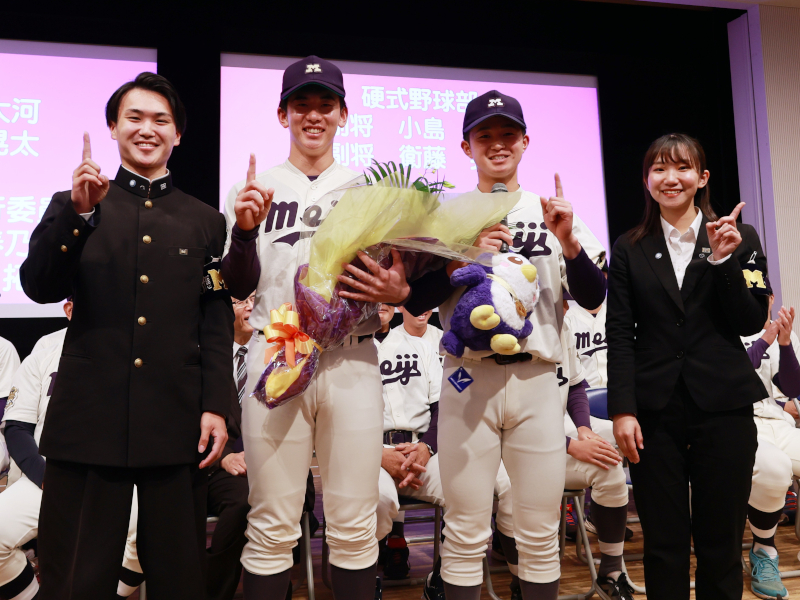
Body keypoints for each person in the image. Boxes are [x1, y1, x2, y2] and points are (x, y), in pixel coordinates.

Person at [19, 72, 234, 599]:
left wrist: (216, 405)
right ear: (113, 127)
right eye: (134, 118)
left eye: (161, 120)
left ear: (177, 134)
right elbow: (39, 287)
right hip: (88, 420)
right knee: (74, 580)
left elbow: (215, 321)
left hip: (176, 421)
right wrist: (79, 214)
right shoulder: (73, 203)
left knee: (179, 580)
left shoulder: (206, 221)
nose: (147, 129)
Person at [402, 90, 607, 600]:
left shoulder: (550, 209)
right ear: (466, 146)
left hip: (537, 379)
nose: (497, 144)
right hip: (468, 378)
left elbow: (593, 296)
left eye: (508, 134)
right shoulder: (447, 215)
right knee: (465, 531)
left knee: (538, 533)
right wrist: (461, 255)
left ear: (525, 141)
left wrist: (569, 242)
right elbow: (415, 300)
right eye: (485, 135)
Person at [221, 56, 409, 600]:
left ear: (343, 114)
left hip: (351, 355)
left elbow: (398, 279)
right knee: (271, 523)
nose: (313, 114)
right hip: (278, 346)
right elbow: (237, 282)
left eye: (325, 104)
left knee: (354, 523)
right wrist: (243, 231)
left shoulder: (370, 191)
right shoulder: (253, 188)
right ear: (282, 114)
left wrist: (398, 291)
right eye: (301, 104)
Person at [607, 133, 770, 600]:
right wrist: (623, 410)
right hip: (655, 413)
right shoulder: (630, 246)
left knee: (722, 543)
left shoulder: (741, 237)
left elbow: (751, 320)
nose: (670, 178)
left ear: (702, 178)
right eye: (659, 168)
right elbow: (619, 333)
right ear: (646, 180)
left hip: (724, 406)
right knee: (663, 544)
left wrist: (723, 261)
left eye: (682, 168)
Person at [0, 299, 143, 600]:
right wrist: (45, 477)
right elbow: (17, 426)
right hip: (49, 476)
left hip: (119, 478)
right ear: (69, 310)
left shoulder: (140, 349)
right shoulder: (45, 350)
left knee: (150, 531)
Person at [558, 310, 634, 600]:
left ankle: (611, 571)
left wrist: (583, 429)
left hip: (560, 432)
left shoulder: (562, 327)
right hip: (515, 446)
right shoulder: (511, 332)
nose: (565, 306)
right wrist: (569, 445)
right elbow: (512, 417)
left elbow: (575, 385)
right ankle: (519, 582)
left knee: (609, 464)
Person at [741, 291, 800, 600]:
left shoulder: (781, 330)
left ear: (771, 298)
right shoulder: (717, 328)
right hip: (739, 422)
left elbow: (792, 388)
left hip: (779, 421)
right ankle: (764, 551)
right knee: (775, 469)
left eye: (759, 295)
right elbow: (732, 377)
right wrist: (764, 341)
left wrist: (785, 344)